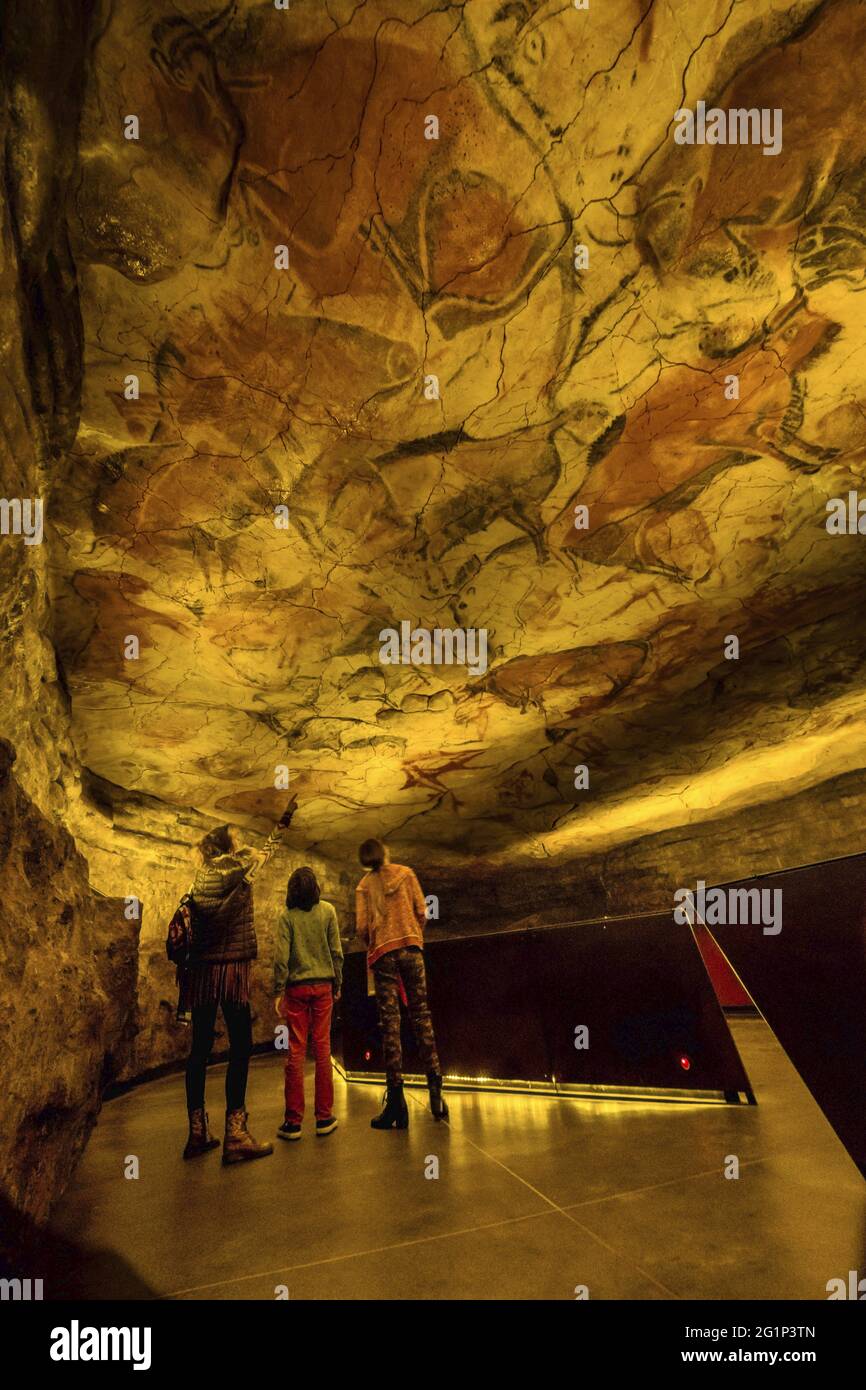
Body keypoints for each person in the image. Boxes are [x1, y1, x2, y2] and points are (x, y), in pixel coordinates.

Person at [181, 804, 294, 1164]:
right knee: (241, 1046)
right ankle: (236, 1134)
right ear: (228, 846)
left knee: (198, 1050)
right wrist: (284, 818)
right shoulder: (242, 868)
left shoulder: (197, 879)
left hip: (200, 973)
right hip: (232, 973)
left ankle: (197, 1133)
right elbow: (269, 849)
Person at [355, 838, 447, 1129]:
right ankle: (436, 1094)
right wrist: (412, 935)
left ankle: (397, 1103)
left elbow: (361, 928)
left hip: (383, 956)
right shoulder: (407, 874)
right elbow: (423, 912)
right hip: (412, 950)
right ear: (385, 852)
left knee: (390, 1024)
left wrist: (377, 943)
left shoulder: (364, 887)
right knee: (421, 1016)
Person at [273, 867, 343, 1140]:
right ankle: (324, 1118)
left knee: (295, 1052)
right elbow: (336, 952)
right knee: (323, 1049)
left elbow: (281, 957)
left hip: (297, 989)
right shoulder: (328, 911)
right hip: (323, 986)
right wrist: (337, 983)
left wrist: (278, 990)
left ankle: (293, 1122)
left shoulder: (287, 917)